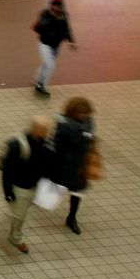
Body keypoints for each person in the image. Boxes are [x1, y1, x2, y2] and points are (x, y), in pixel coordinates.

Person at [1, 116, 55, 253]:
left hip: (34, 185)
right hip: (19, 187)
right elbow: (7, 170)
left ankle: (16, 221)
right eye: (46, 129)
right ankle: (15, 238)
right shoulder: (18, 145)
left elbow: (47, 165)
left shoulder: (46, 144)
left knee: (22, 211)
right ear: (37, 130)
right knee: (19, 216)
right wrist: (8, 192)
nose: (49, 132)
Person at [52, 97, 95, 234]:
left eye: (86, 113)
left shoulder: (89, 122)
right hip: (64, 164)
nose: (84, 116)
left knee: (77, 192)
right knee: (53, 185)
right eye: (81, 113)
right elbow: (57, 144)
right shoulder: (64, 124)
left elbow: (90, 137)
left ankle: (72, 218)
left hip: (80, 164)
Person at [32, 0, 76, 96]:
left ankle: (37, 79)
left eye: (59, 4)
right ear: (51, 5)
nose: (57, 7)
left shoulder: (64, 15)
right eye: (55, 4)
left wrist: (71, 41)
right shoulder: (45, 14)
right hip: (45, 44)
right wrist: (53, 18)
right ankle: (40, 85)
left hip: (56, 46)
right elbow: (40, 27)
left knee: (47, 64)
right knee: (50, 64)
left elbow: (67, 29)